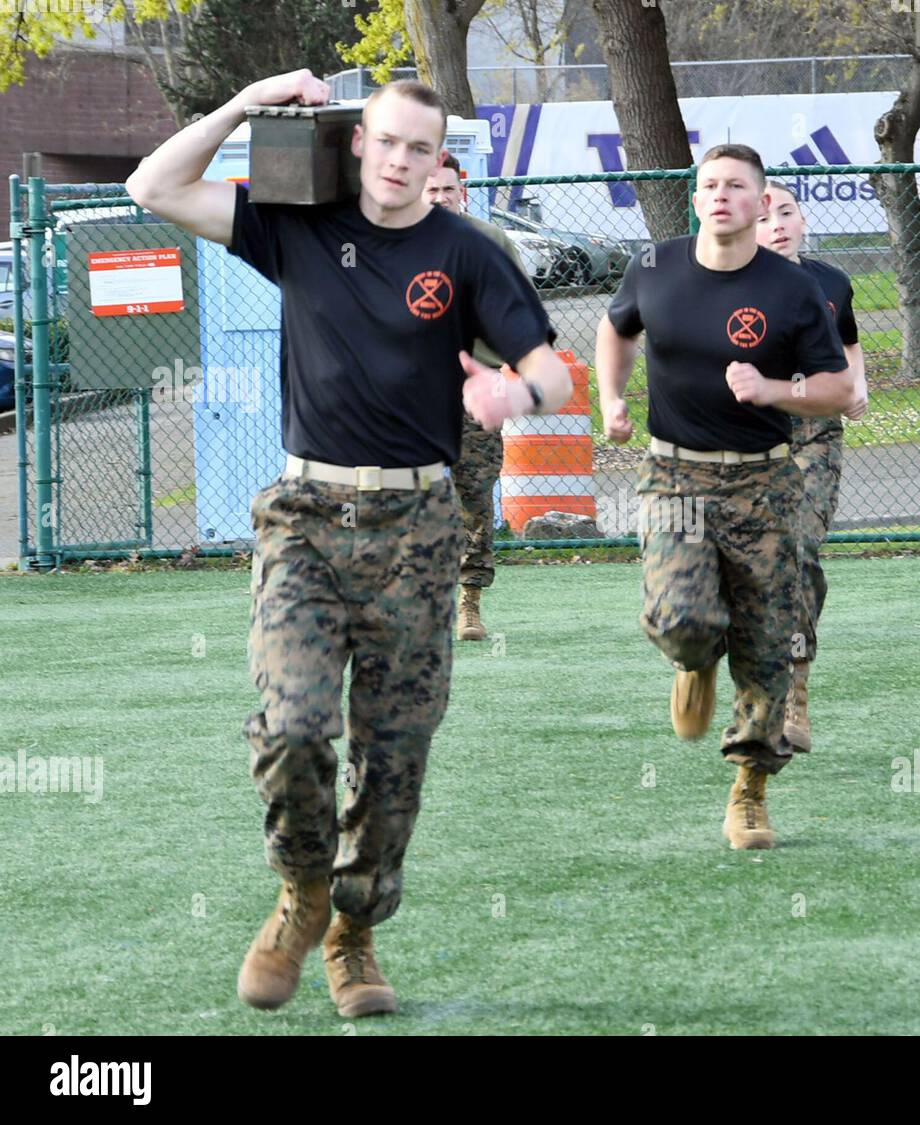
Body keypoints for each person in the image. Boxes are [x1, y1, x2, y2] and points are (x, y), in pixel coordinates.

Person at [126, 69, 570, 1018]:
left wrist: (513, 395)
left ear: (436, 158)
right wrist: (244, 104)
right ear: (358, 142)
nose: (402, 162)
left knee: (396, 752)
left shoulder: (468, 253)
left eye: (422, 148)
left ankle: (354, 928)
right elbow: (151, 188)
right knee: (292, 726)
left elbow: (552, 373)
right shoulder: (298, 224)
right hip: (306, 518)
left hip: (418, 529)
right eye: (389, 141)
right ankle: (300, 894)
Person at [596, 143, 854, 850]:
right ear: (696, 196)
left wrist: (773, 390)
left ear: (760, 200)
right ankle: (691, 658)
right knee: (682, 616)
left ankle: (749, 791)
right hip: (674, 473)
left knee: (769, 641)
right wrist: (612, 398)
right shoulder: (656, 265)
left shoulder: (794, 290)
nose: (720, 196)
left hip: (763, 478)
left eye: (736, 186)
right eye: (709, 184)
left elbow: (840, 390)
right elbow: (615, 327)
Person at [755, 179, 867, 751]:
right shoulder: (730, 287)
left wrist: (858, 384)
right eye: (763, 216)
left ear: (802, 221)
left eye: (786, 213)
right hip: (748, 440)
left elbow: (847, 343)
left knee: (799, 552)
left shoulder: (832, 283)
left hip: (814, 436)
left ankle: (795, 692)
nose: (776, 224)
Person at [425, 153, 533, 642]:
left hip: (476, 388)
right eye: (430, 190)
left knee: (474, 492)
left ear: (461, 192)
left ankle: (470, 602)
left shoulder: (490, 241)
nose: (439, 197)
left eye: (447, 189)